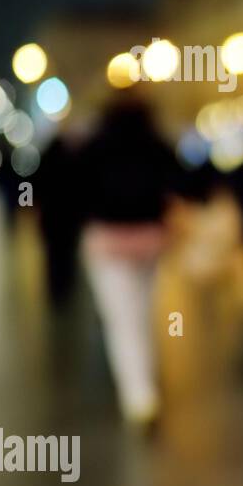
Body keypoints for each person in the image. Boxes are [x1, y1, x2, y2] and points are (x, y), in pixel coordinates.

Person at [75, 91, 191, 431]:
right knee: (140, 313)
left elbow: (76, 190)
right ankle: (143, 386)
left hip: (108, 243)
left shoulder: (95, 145)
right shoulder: (155, 143)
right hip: (149, 241)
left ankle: (138, 394)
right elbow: (182, 182)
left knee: (122, 320)